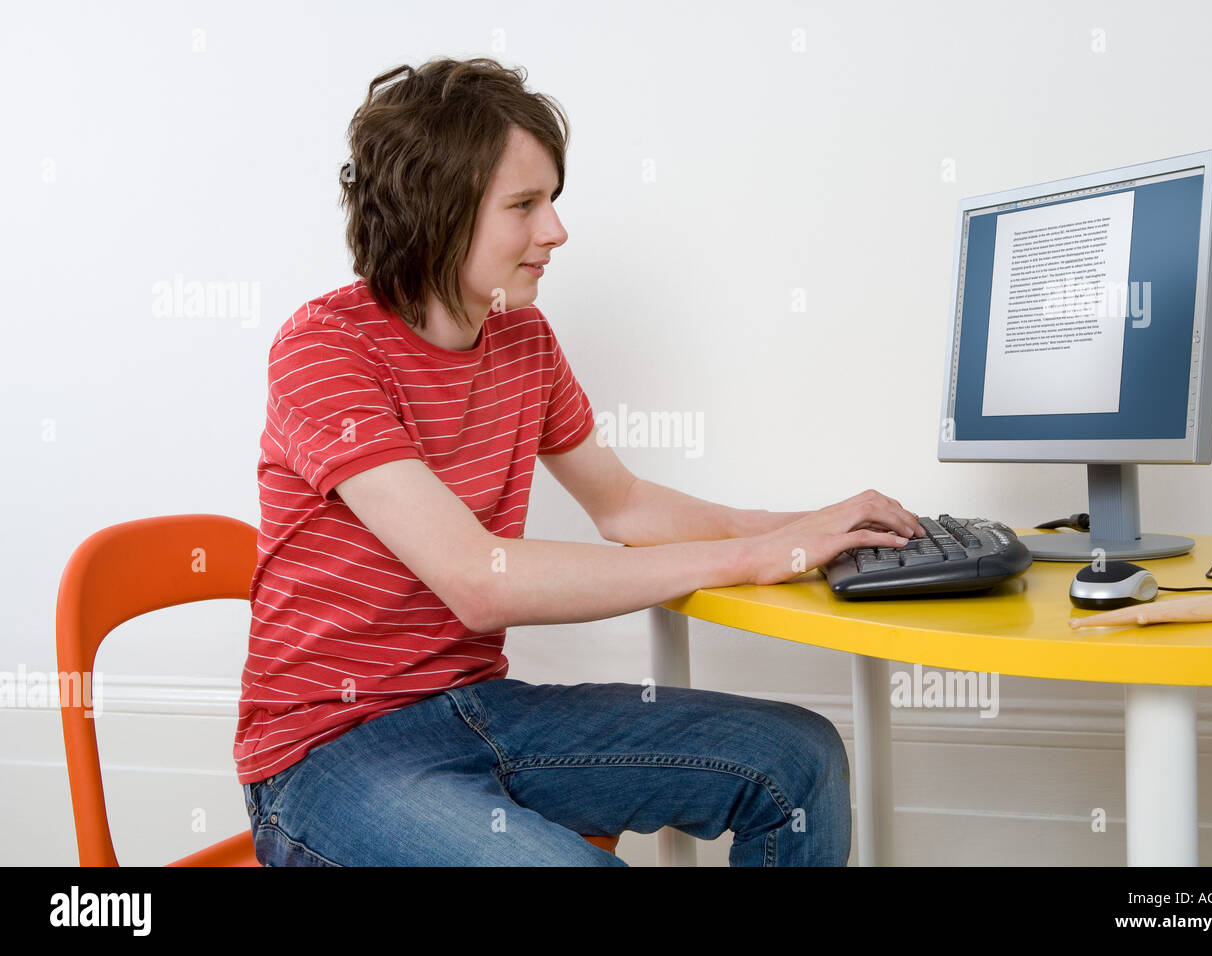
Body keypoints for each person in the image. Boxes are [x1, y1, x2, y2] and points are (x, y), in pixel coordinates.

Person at [234, 56, 924, 866]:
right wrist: (746, 556)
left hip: (479, 710)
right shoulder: (326, 349)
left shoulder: (523, 340)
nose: (555, 232)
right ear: (434, 211)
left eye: (552, 201)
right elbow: (478, 579)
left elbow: (623, 504)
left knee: (797, 761)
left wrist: (801, 529)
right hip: (328, 754)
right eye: (524, 205)